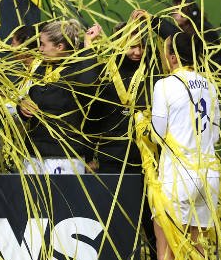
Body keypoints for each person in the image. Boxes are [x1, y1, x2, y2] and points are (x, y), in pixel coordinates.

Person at [149, 32, 221, 260]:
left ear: (174, 56)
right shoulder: (212, 85)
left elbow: (156, 133)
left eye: (165, 50)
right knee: (200, 250)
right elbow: (214, 134)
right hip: (209, 174)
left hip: (178, 175)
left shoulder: (165, 85)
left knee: (166, 251)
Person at [17, 19, 101, 174]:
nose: (40, 49)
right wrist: (21, 105)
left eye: (43, 45)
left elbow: (90, 84)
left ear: (60, 47)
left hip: (64, 157)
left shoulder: (77, 69)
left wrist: (88, 45)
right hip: (34, 154)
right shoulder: (41, 68)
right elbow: (32, 99)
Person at [84, 21, 149, 174]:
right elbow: (92, 119)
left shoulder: (151, 73)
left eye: (141, 46)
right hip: (111, 161)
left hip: (146, 161)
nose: (138, 52)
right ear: (118, 45)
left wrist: (153, 21)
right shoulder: (104, 74)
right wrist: (88, 157)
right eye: (132, 46)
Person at [131, 0, 221, 72]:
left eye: (180, 9)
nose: (174, 13)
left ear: (191, 12)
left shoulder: (205, 32)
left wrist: (152, 20)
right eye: (174, 9)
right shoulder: (180, 28)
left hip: (214, 83)